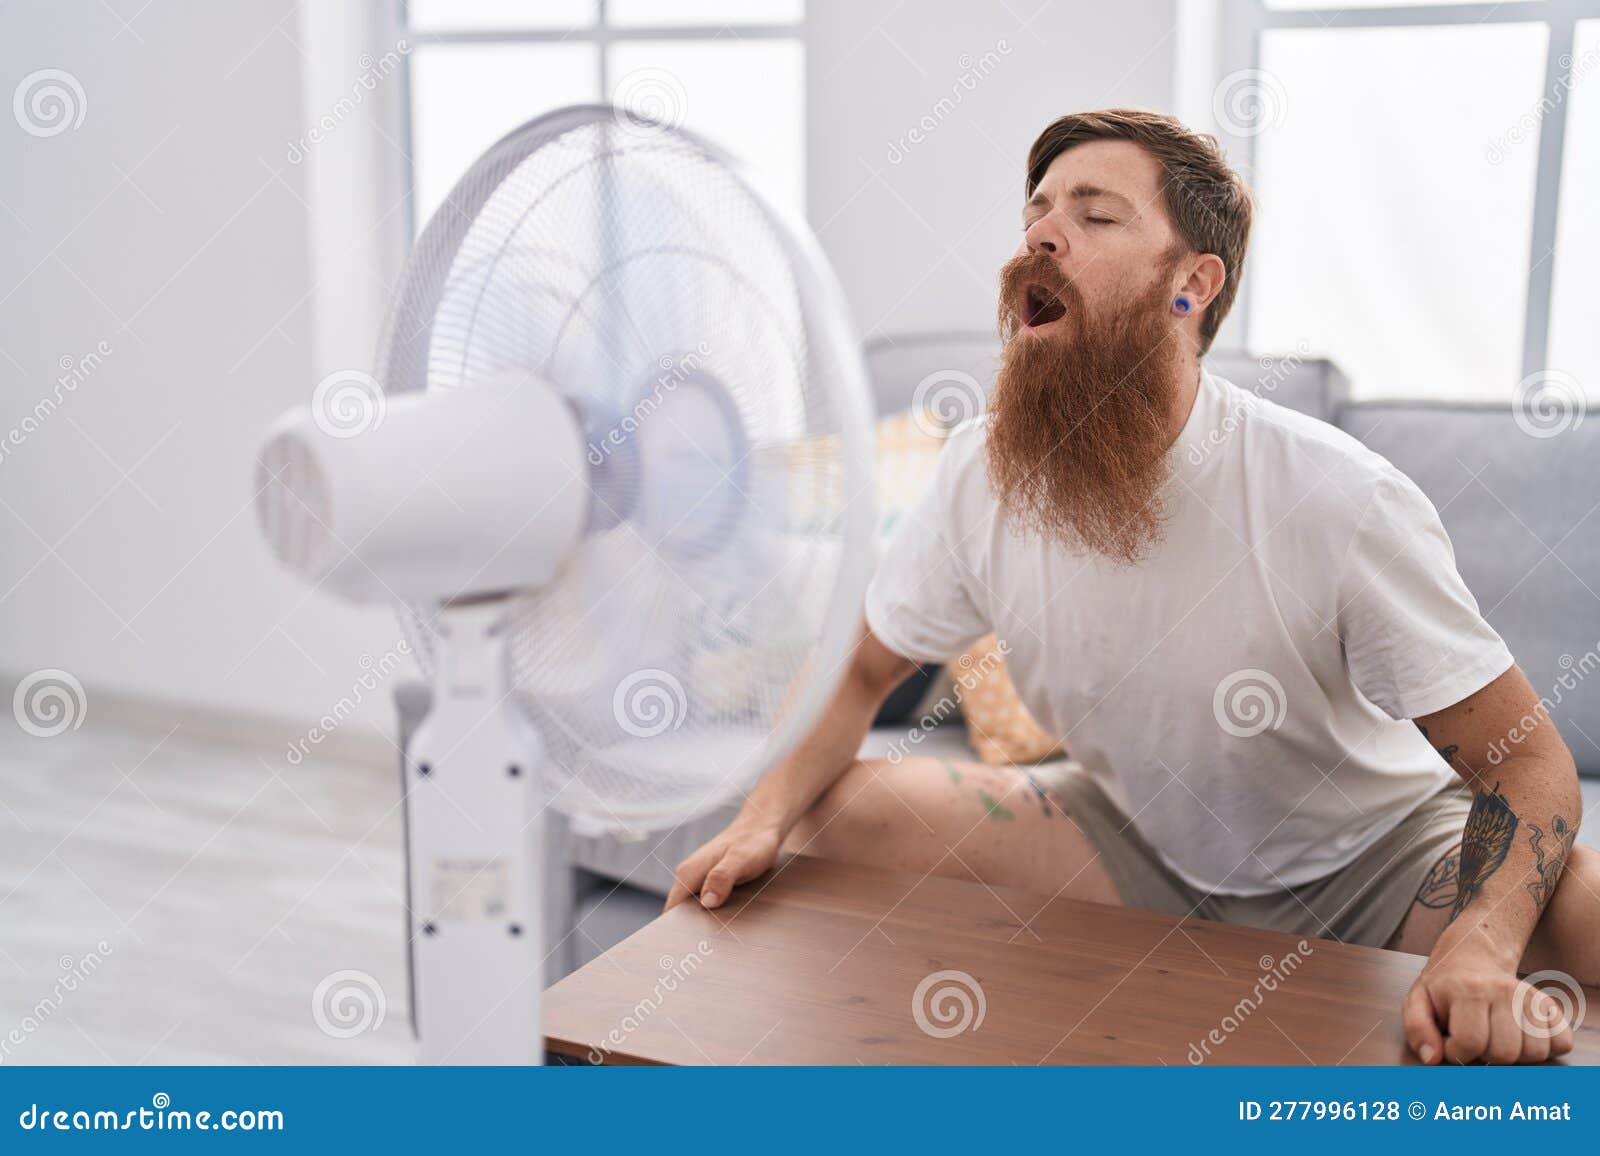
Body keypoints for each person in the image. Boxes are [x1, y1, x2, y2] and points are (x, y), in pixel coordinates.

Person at [666, 108, 1596, 1065]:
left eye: (1096, 215)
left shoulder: (1339, 496)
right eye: (1036, 213)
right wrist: (759, 819)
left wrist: (1477, 947)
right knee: (838, 818)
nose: (1042, 233)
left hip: (1382, 859)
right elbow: (860, 669)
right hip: (1129, 841)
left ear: (1191, 286)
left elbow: (1529, 764)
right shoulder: (979, 471)